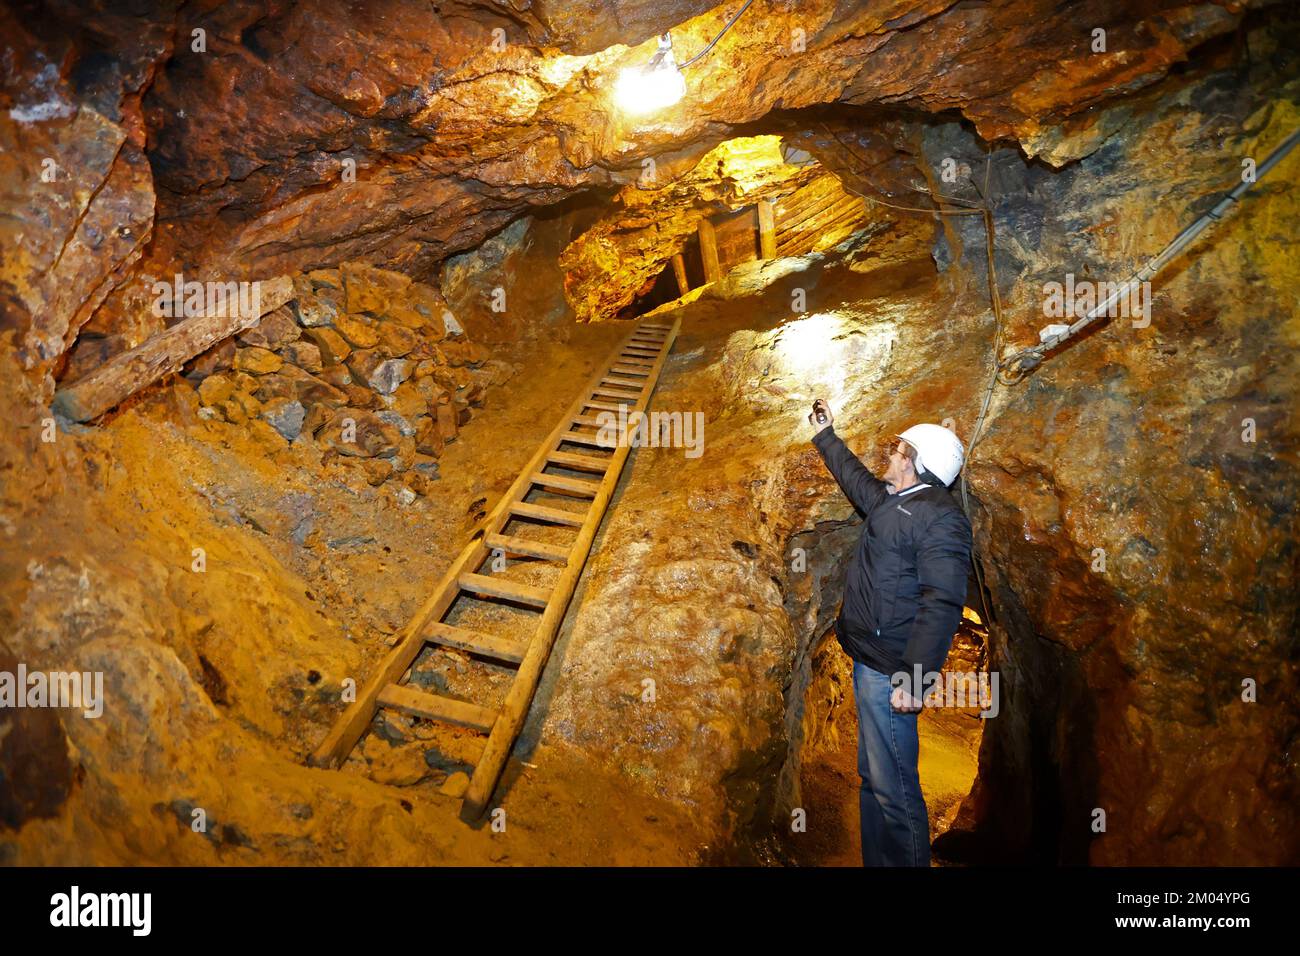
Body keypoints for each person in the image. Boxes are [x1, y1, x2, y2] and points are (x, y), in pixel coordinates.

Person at [807, 399, 972, 867]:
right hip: (868, 660)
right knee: (873, 778)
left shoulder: (940, 519)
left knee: (895, 791)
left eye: (901, 450)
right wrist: (826, 436)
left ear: (919, 464)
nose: (893, 455)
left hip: (890, 673)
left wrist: (915, 678)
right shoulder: (895, 499)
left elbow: (941, 601)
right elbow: (856, 481)